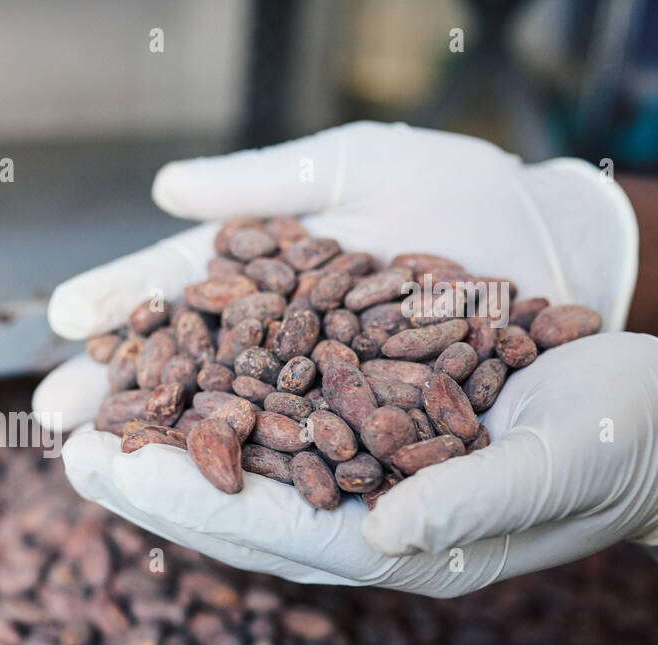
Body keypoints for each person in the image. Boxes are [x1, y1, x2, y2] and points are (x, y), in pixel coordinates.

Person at [33, 122, 658, 598]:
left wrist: (579, 234)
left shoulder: (420, 353)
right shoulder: (277, 355)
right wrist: (599, 226)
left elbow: (403, 366)